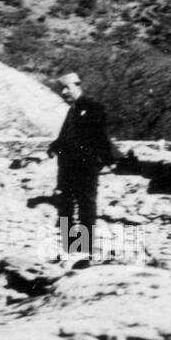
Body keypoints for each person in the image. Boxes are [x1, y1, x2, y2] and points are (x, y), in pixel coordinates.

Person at [46, 72, 116, 262]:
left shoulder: (94, 107)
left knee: (86, 204)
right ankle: (70, 246)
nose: (64, 92)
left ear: (77, 86)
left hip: (86, 165)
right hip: (68, 166)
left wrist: (108, 161)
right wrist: (54, 147)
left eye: (66, 88)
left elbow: (101, 137)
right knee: (66, 204)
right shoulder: (72, 110)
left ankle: (84, 248)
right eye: (62, 89)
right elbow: (65, 137)